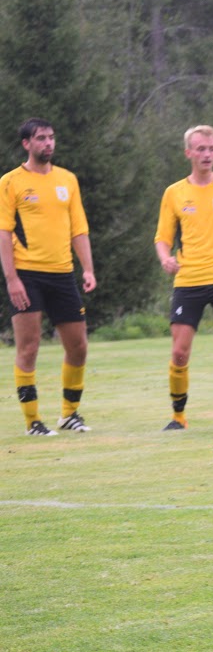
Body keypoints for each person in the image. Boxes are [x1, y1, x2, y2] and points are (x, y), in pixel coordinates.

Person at [0, 118, 96, 436]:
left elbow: (78, 228)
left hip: (62, 274)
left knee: (78, 346)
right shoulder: (11, 182)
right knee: (29, 347)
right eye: (41, 138)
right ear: (27, 143)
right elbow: (4, 233)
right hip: (27, 274)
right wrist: (12, 279)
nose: (48, 144)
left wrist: (88, 268)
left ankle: (70, 414)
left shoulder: (67, 180)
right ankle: (32, 421)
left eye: (52, 138)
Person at [153, 125, 213, 430]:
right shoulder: (174, 192)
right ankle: (178, 416)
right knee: (179, 352)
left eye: (211, 149)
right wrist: (165, 257)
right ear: (189, 153)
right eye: (201, 149)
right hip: (188, 280)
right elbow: (162, 237)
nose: (207, 154)